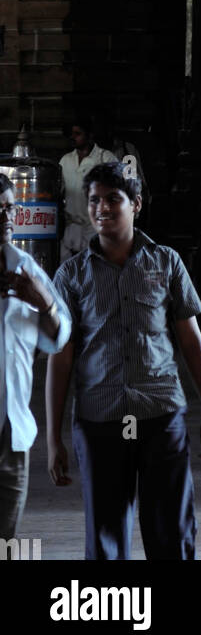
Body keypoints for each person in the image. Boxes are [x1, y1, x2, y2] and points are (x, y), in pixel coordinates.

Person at [47, 163, 201, 560]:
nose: (102, 208)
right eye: (94, 200)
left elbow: (191, 340)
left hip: (160, 412)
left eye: (113, 199)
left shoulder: (166, 262)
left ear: (136, 204)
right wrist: (54, 437)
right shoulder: (71, 275)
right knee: (106, 536)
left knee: (171, 531)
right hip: (99, 418)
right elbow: (62, 357)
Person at [0, 173, 72, 539]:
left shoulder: (26, 268)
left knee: (6, 537)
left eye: (9, 208)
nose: (6, 218)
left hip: (11, 434)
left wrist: (44, 303)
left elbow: (59, 337)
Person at [58, 114, 117, 261]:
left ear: (90, 135)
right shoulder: (66, 160)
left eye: (78, 134)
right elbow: (60, 190)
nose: (73, 137)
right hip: (71, 226)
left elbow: (119, 191)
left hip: (96, 226)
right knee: (68, 270)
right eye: (71, 134)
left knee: (95, 270)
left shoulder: (105, 158)